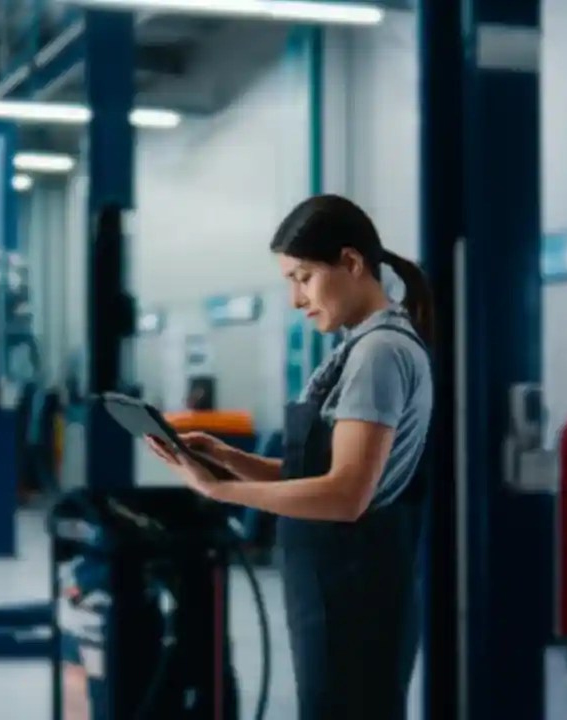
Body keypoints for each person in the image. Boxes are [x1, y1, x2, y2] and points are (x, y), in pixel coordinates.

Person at [146, 194, 435, 719]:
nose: (296, 299)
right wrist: (231, 459)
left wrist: (219, 490)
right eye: (289, 282)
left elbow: (345, 495)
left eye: (303, 277)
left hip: (355, 594)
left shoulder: (379, 354)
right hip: (342, 587)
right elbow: (321, 476)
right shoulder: (365, 346)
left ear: (351, 263)